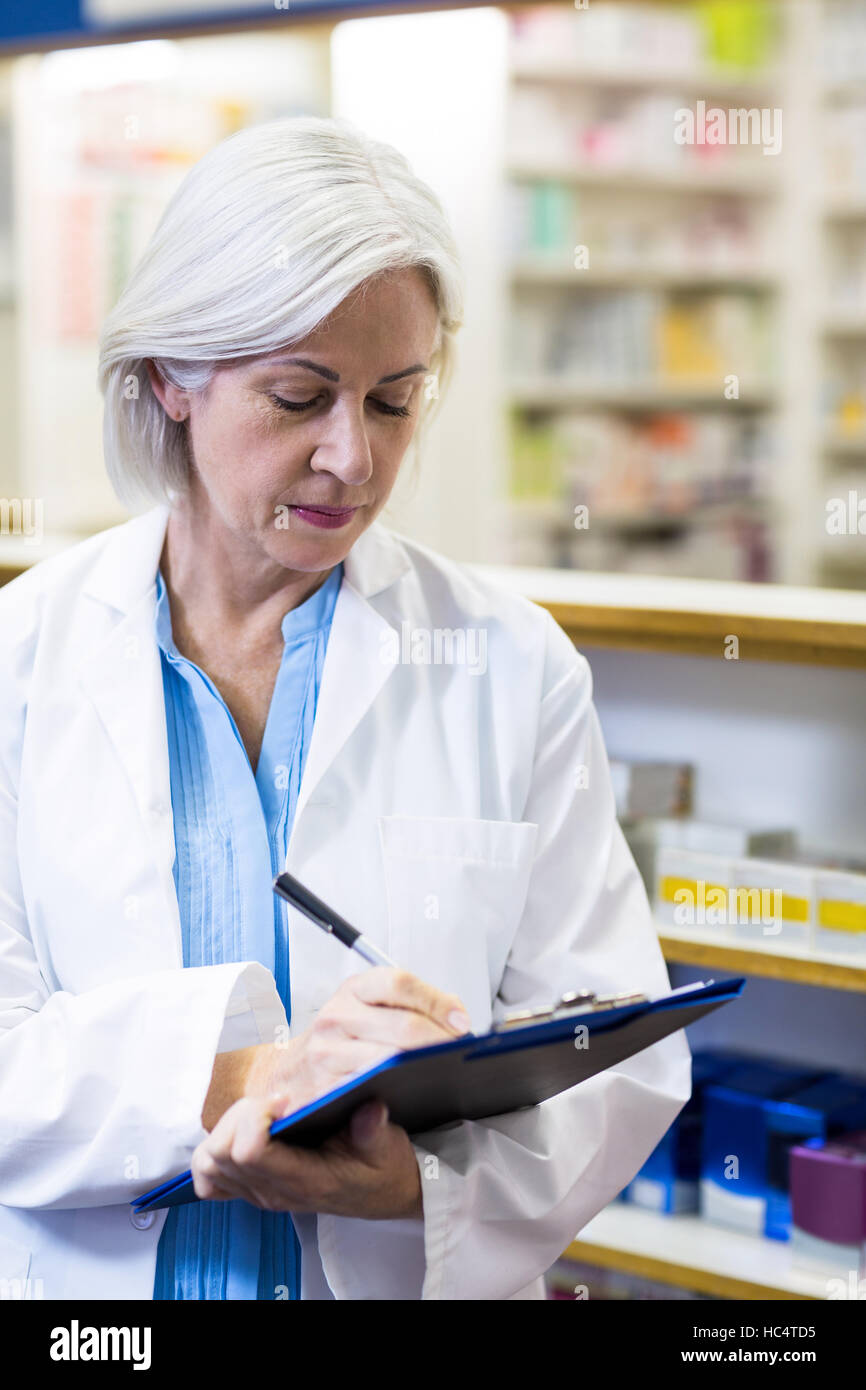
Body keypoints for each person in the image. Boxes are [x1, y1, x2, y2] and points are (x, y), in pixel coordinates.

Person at [0, 116, 690, 1301]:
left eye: (390, 401)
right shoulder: (19, 662)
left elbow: (615, 1057)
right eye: (299, 395)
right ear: (172, 374)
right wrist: (253, 1077)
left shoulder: (509, 665)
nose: (350, 460)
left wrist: (419, 1188)